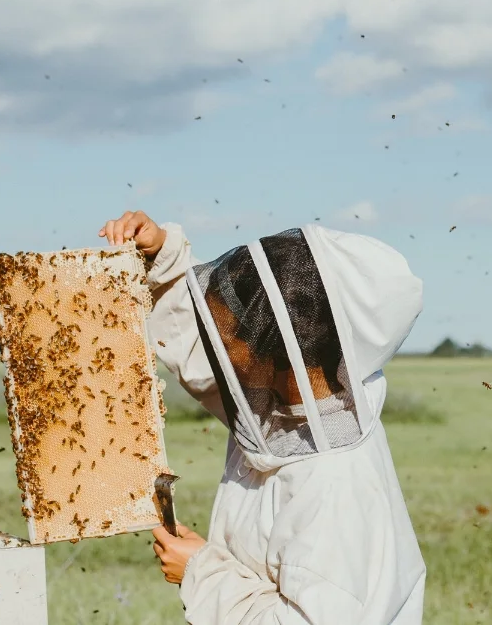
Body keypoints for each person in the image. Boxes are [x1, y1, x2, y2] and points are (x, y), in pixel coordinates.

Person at [99, 210, 427, 624]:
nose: (218, 342)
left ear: (276, 346)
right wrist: (164, 258)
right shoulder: (285, 410)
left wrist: (201, 572)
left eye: (228, 330)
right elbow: (205, 365)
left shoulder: (334, 482)